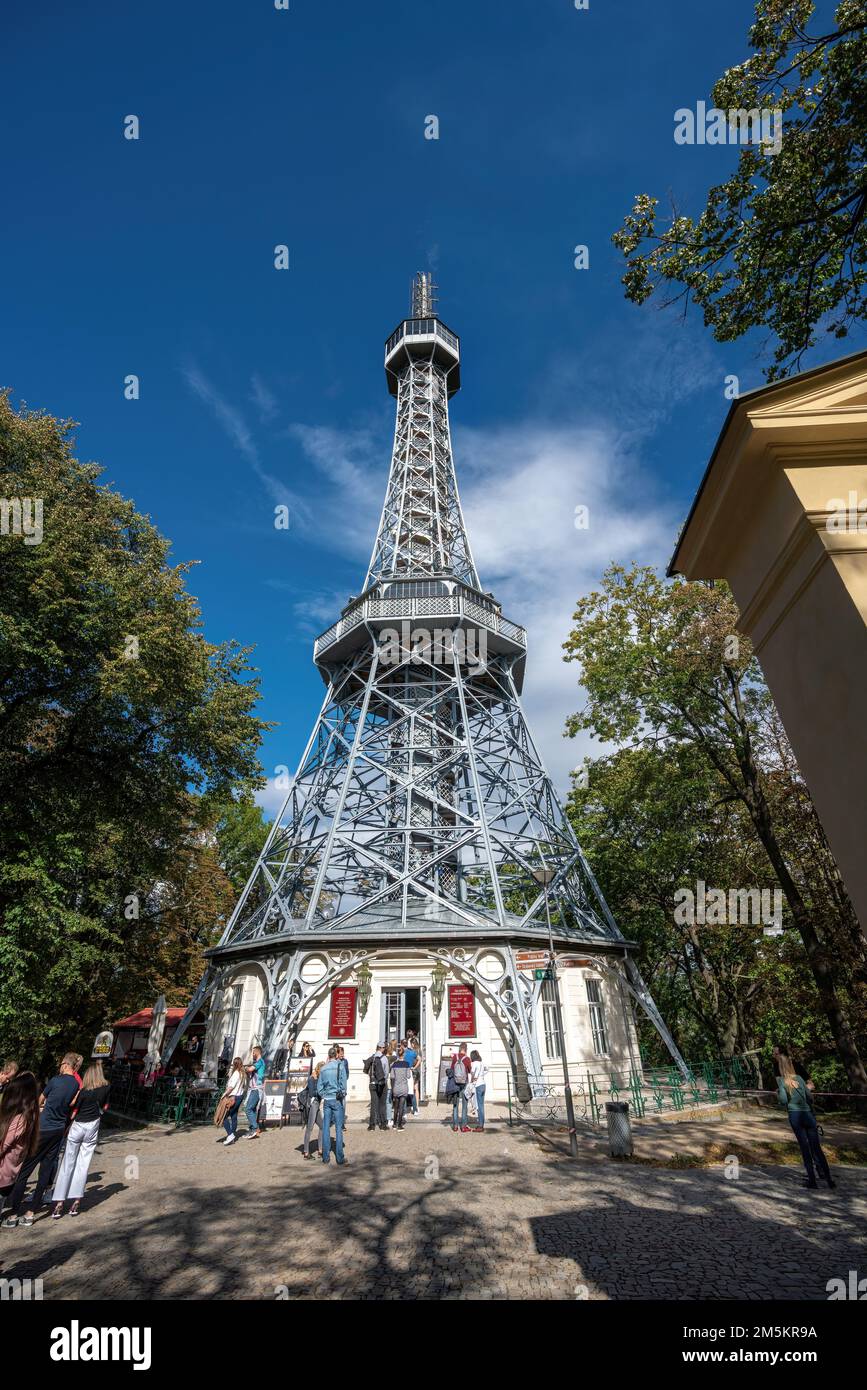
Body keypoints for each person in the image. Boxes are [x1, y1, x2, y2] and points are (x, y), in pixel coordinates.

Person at [3, 1054, 80, 1226]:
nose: (60, 1066)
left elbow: (40, 1100)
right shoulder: (75, 1084)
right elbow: (70, 1104)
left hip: (43, 1128)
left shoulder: (55, 1080)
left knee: (24, 1171)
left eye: (61, 1063)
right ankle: (31, 1214)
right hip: (59, 1129)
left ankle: (14, 1213)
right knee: (45, 1172)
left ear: (65, 1064)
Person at [50, 1061, 111, 1218]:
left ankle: (59, 1203)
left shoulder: (83, 1091)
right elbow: (105, 1108)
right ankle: (76, 1201)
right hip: (93, 1125)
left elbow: (74, 1110)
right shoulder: (106, 1088)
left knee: (67, 1163)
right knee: (83, 1165)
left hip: (79, 1125)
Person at [777, 1049, 834, 1189]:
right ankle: (829, 1180)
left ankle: (812, 1181)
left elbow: (783, 1100)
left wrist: (778, 1094)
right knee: (817, 1148)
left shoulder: (782, 1081)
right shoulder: (800, 1079)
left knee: (804, 1147)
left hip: (795, 1115)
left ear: (781, 1067)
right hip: (808, 1114)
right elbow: (809, 1097)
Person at [0, 1072, 40, 1219]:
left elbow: (2, 1146)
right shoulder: (29, 1115)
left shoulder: (19, 1120)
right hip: (8, 1176)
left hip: (3, 1175)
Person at [316, 1046, 348, 1166]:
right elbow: (344, 1085)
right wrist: (341, 1094)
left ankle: (325, 1157)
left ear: (329, 1056)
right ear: (336, 1055)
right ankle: (339, 1157)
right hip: (337, 1099)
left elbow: (319, 1088)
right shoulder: (340, 1066)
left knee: (325, 1128)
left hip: (327, 1100)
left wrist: (324, 1095)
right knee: (338, 1128)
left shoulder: (323, 1068)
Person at [221, 1058, 247, 1146]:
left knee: (224, 1117)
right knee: (233, 1116)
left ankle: (230, 1134)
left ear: (234, 1064)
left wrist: (224, 1094)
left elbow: (231, 1087)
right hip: (239, 1096)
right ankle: (232, 1135)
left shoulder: (236, 1073)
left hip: (233, 1097)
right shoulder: (243, 1074)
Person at [365, 1044, 389, 1130]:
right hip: (382, 1083)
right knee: (382, 1104)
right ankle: (383, 1125)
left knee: (373, 1104)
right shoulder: (384, 1058)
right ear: (382, 1048)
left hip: (372, 1083)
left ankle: (372, 1126)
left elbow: (367, 1071)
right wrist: (383, 1080)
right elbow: (386, 1072)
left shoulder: (372, 1057)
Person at [244, 1046, 266, 1140]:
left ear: (257, 1053)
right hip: (254, 1088)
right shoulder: (258, 1062)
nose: (252, 1055)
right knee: (251, 1109)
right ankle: (253, 1128)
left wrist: (244, 1068)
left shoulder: (259, 1062)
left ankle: (255, 1128)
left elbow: (250, 1069)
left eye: (253, 1053)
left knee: (248, 1109)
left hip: (256, 1089)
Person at [301, 1063, 322, 1159]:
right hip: (312, 1104)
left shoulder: (319, 1078)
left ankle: (320, 1150)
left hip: (317, 1104)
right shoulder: (312, 1078)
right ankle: (306, 1152)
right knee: (309, 1128)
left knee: (322, 1126)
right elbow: (312, 1093)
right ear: (319, 1070)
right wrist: (321, 1091)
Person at [449, 1043, 471, 1132]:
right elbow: (469, 1070)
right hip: (464, 1083)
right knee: (464, 1105)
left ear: (459, 1049)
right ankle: (463, 1126)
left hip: (455, 1083)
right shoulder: (467, 1059)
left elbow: (451, 1069)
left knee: (455, 1104)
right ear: (466, 1050)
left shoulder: (455, 1057)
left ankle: (455, 1126)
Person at [390, 1045, 412, 1130]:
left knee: (395, 1107)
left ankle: (394, 1124)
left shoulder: (394, 1064)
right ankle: (399, 1125)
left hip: (396, 1087)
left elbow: (392, 1076)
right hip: (403, 1087)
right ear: (404, 1054)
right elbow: (408, 1076)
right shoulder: (406, 1064)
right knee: (401, 1107)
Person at [469, 1050, 488, 1131]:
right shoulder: (482, 1063)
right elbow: (487, 1069)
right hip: (483, 1084)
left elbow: (472, 1073)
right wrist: (482, 1075)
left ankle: (480, 1126)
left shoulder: (475, 1063)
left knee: (478, 1106)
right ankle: (481, 1124)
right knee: (481, 1105)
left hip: (478, 1085)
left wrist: (472, 1079)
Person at [404, 1036, 420, 1115]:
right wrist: (415, 1067)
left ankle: (414, 1107)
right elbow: (420, 1059)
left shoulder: (408, 1051)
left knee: (411, 1089)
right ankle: (416, 1107)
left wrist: (414, 1067)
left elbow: (420, 1059)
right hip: (414, 1070)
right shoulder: (416, 1051)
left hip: (412, 1071)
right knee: (414, 1089)